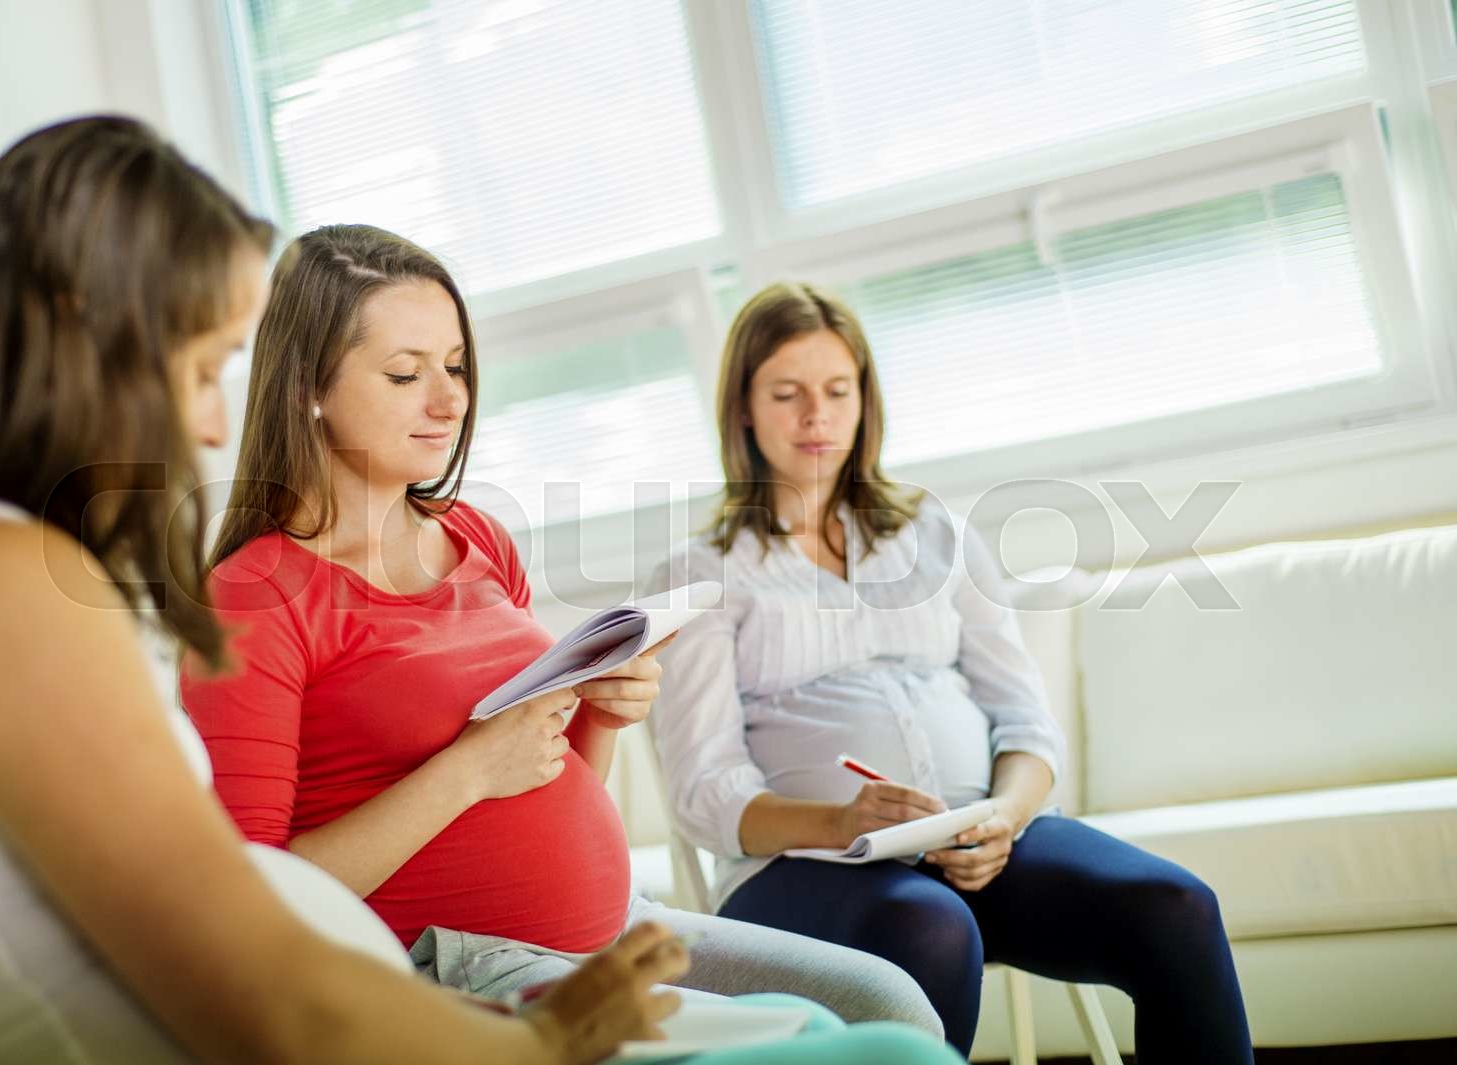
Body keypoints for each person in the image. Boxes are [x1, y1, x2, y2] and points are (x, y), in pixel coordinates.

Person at [0, 115, 862, 1065]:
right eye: (202, 369)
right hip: (432, 984)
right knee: (883, 1044)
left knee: (872, 1021)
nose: (209, 425)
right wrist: (542, 1042)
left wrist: (587, 710)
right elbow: (265, 962)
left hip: (505, 967)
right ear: (88, 330)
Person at [178, 224, 959, 1058]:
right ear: (308, 386)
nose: (449, 401)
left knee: (890, 1000)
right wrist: (467, 769)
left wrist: (602, 715)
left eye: (455, 367)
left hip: (617, 928)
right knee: (885, 1050)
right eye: (406, 374)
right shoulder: (253, 593)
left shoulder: (474, 536)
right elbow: (260, 907)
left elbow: (557, 781)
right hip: (463, 972)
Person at [646, 281, 1255, 1062]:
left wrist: (1004, 814)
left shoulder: (936, 533)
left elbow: (1028, 724)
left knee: (1176, 906)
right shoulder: (704, 573)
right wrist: (841, 823)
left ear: (865, 400)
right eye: (787, 393)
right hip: (807, 872)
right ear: (742, 409)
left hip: (982, 843)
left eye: (838, 390)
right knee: (929, 926)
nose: (816, 416)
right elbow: (705, 793)